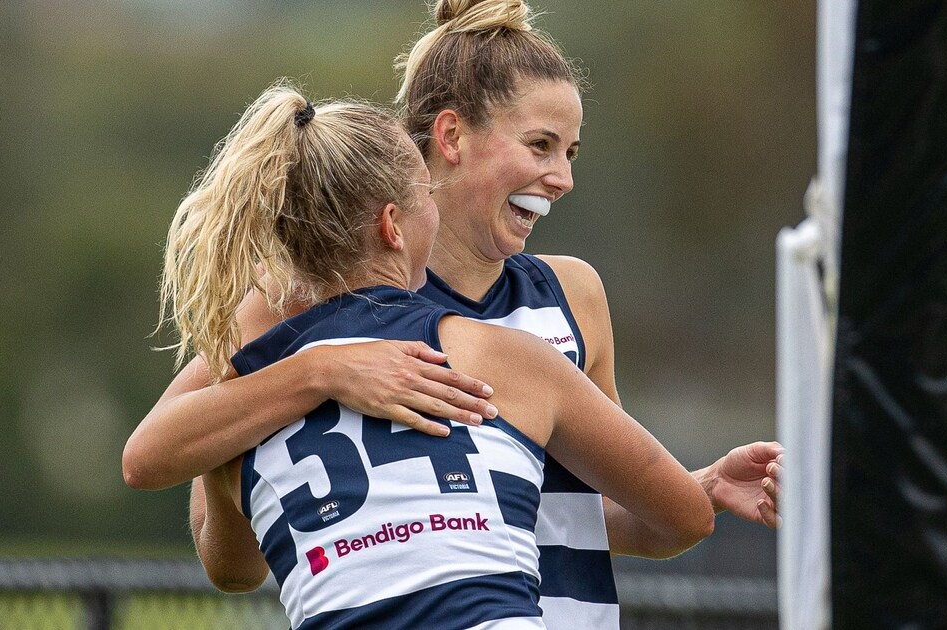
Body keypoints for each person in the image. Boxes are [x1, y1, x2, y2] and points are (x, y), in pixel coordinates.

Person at [123, 0, 782, 627]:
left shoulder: (571, 296)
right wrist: (322, 372)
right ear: (451, 137)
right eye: (541, 145)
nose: (562, 177)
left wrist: (702, 487)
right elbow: (208, 517)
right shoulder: (306, 302)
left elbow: (585, 507)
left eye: (571, 153)